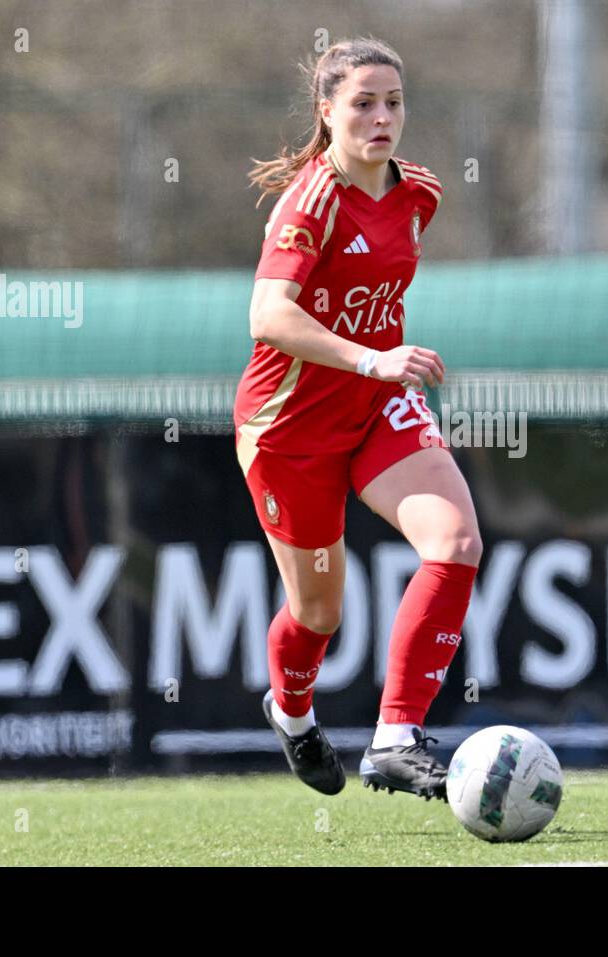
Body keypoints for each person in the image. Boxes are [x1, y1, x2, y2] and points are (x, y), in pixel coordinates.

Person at [236, 37, 481, 801]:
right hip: (289, 428)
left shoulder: (421, 192)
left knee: (457, 541)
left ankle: (395, 737)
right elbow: (268, 314)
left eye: (394, 102)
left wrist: (380, 370)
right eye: (363, 103)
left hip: (377, 408)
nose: (382, 118)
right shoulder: (309, 200)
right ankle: (293, 710)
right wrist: (372, 356)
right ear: (327, 111)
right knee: (320, 612)